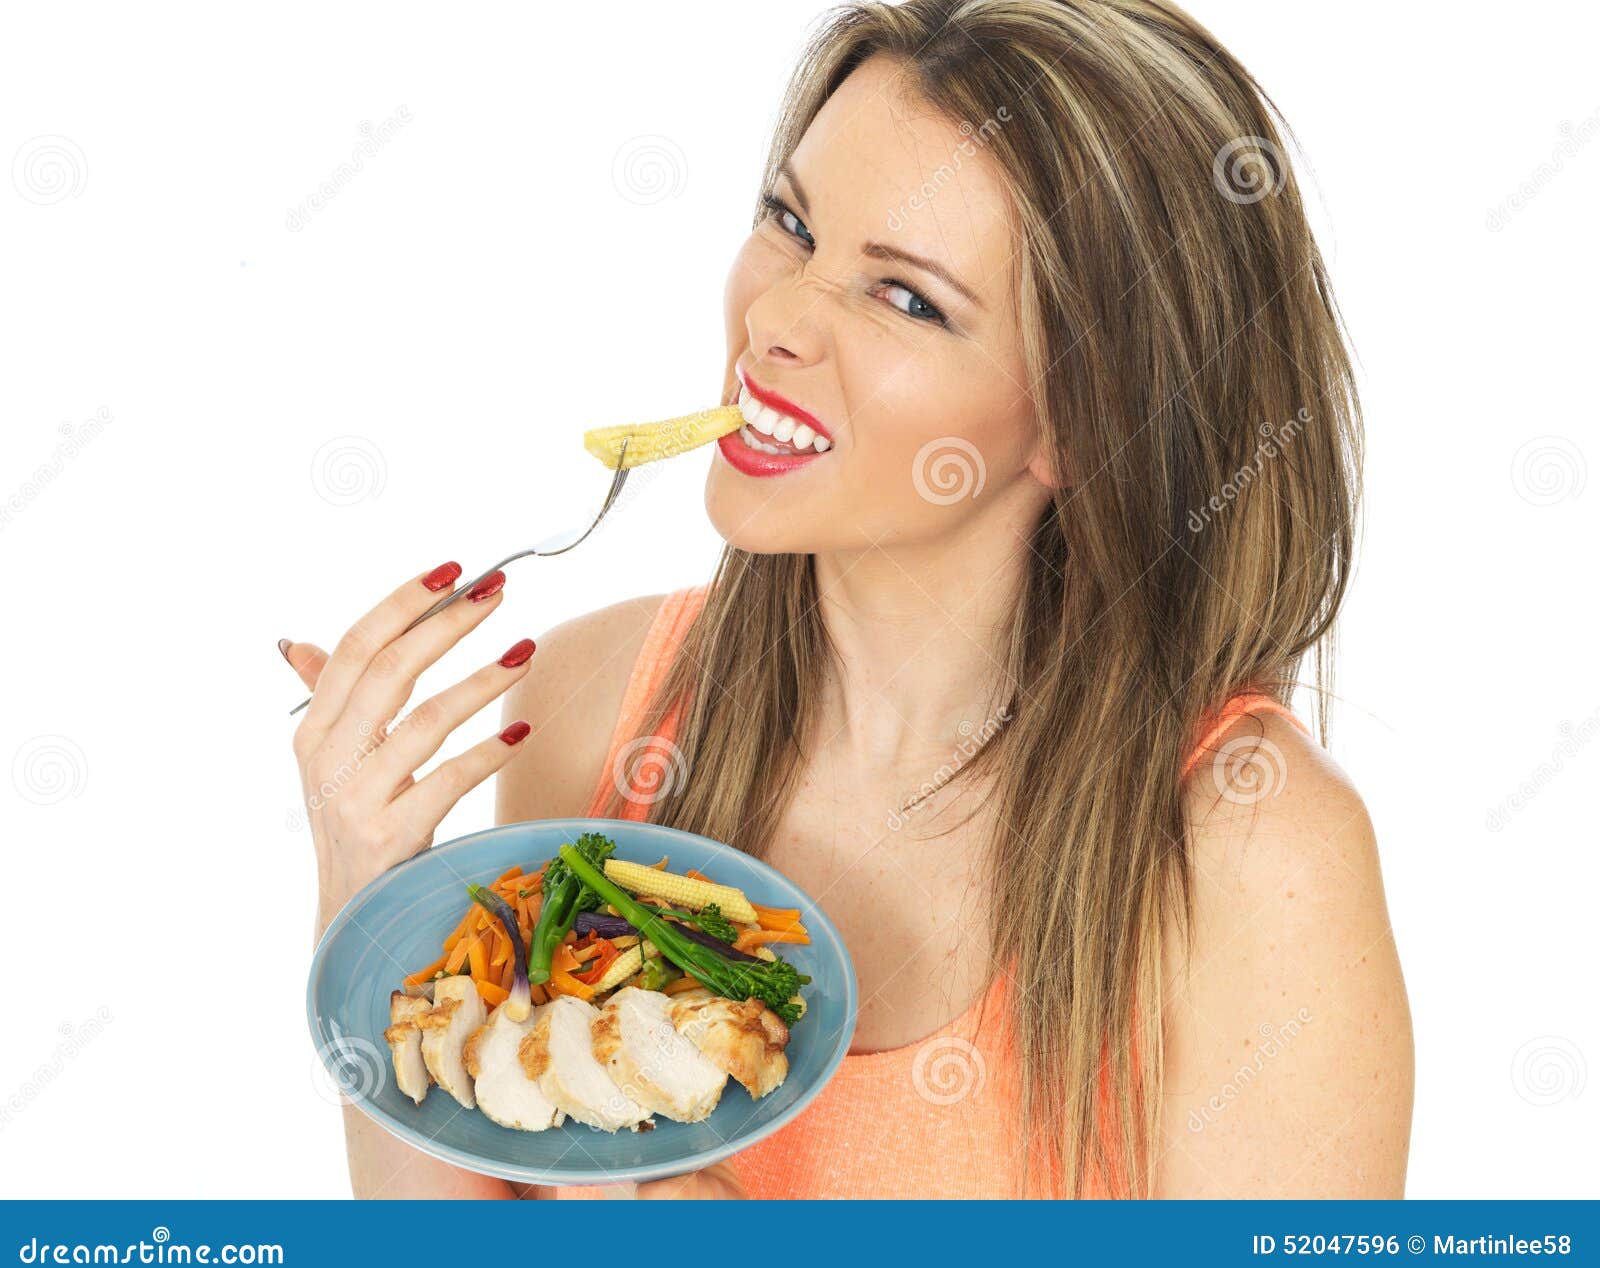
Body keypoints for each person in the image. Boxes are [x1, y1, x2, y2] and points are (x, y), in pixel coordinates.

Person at [287, 0, 1412, 1199]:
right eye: (790, 223)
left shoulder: (1251, 851)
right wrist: (372, 908)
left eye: (905, 297)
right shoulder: (593, 709)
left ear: (1087, 424)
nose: (773, 320)